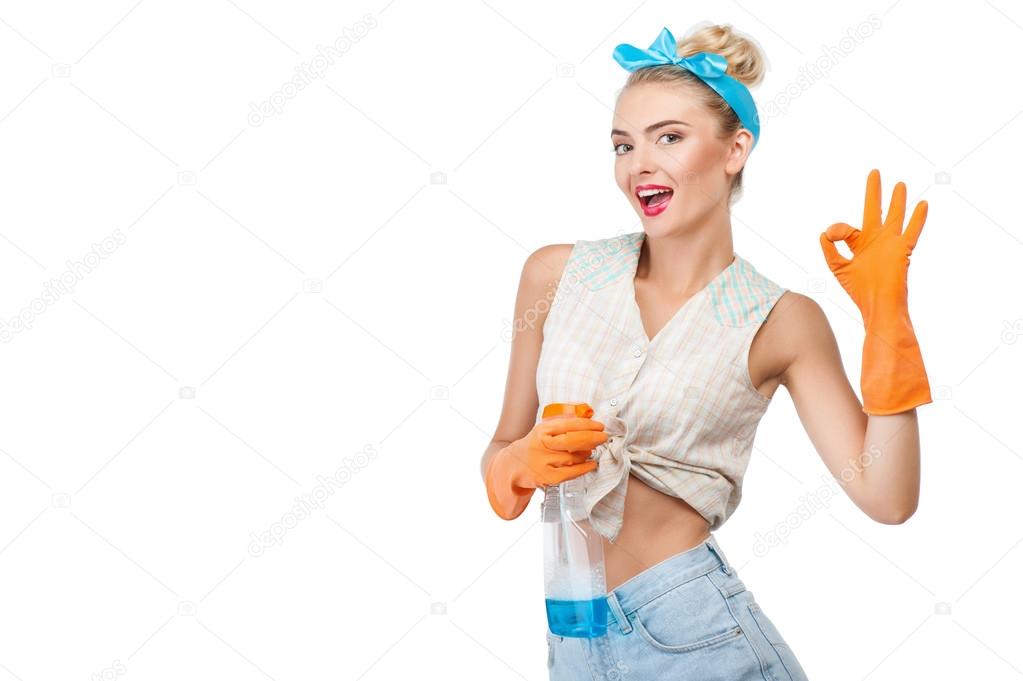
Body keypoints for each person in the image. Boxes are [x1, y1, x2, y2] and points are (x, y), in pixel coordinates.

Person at [481, 22, 931, 680]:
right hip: (571, 638)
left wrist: (886, 320)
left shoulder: (782, 321)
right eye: (622, 144)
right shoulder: (553, 275)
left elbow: (887, 496)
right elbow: (500, 459)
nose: (638, 164)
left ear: (734, 150)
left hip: (697, 636)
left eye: (669, 137)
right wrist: (517, 464)